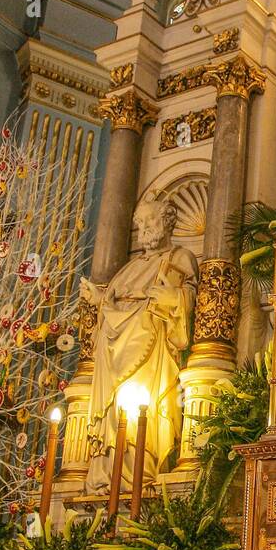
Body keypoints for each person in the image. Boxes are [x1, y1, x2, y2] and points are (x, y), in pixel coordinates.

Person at [83, 192, 197, 492]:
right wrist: (99, 301)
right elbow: (110, 301)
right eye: (140, 222)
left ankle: (138, 473)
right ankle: (107, 473)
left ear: (167, 222)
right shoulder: (129, 268)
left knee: (142, 414)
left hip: (150, 350)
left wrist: (173, 298)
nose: (143, 227)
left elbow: (189, 299)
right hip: (112, 351)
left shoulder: (179, 259)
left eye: (150, 220)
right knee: (112, 413)